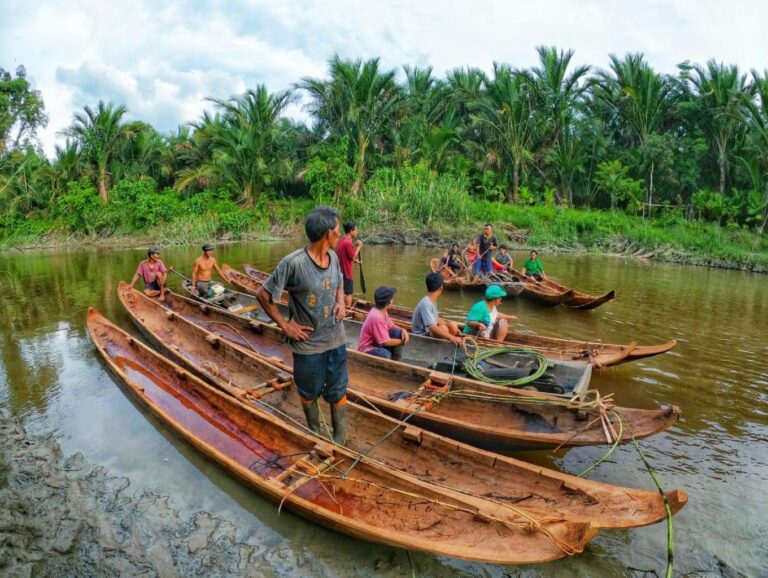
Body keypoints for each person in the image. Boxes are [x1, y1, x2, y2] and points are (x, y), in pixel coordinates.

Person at [256, 206, 349, 444]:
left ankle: (339, 439)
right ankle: (315, 434)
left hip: (336, 340)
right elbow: (263, 296)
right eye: (337, 230)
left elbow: (339, 281)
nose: (340, 234)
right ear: (328, 233)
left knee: (338, 389)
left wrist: (340, 302)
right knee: (309, 392)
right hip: (308, 346)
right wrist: (285, 326)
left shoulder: (334, 257)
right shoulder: (293, 263)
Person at [358, 286, 409, 360]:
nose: (393, 300)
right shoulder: (376, 317)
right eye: (392, 299)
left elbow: (391, 325)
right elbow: (386, 342)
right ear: (389, 302)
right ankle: (390, 359)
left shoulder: (382, 311)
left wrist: (403, 330)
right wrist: (402, 341)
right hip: (368, 348)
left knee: (398, 332)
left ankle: (395, 359)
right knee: (385, 355)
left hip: (377, 342)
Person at [412, 272, 463, 346]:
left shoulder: (432, 300)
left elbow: (435, 319)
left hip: (429, 331)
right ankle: (449, 342)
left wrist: (450, 325)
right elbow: (432, 328)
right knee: (444, 328)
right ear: (441, 288)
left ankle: (450, 339)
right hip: (421, 335)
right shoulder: (426, 304)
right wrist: (451, 337)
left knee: (453, 325)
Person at [336, 221, 363, 307]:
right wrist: (359, 247)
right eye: (356, 230)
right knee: (348, 293)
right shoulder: (347, 242)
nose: (357, 232)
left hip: (340, 271)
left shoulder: (341, 240)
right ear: (351, 231)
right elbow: (352, 256)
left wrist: (356, 261)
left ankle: (342, 306)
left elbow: (346, 255)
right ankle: (348, 310)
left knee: (341, 291)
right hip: (346, 272)